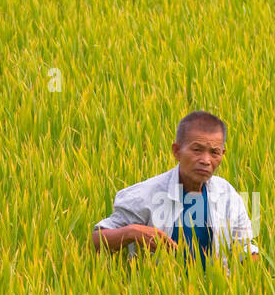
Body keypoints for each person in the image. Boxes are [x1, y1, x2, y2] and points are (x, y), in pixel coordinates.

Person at [91, 111, 260, 267]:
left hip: (214, 293)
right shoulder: (145, 195)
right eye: (197, 150)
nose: (206, 160)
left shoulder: (228, 195)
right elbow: (97, 239)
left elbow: (244, 248)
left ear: (222, 154)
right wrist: (132, 232)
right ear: (177, 151)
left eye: (214, 152)